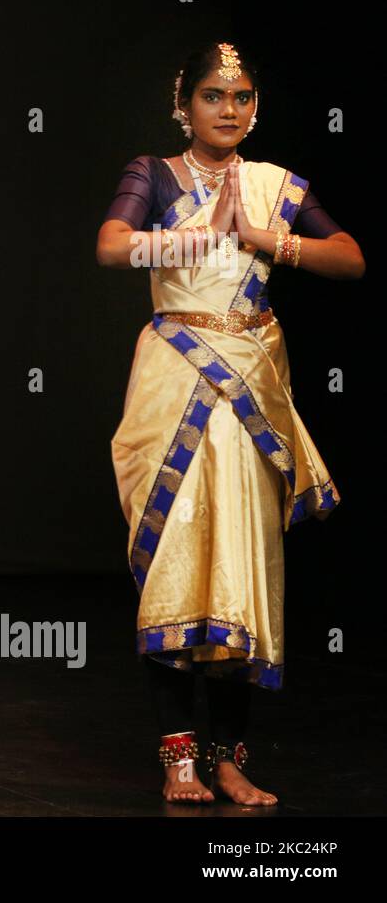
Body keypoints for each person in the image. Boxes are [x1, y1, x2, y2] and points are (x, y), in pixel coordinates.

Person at [97, 44, 364, 804]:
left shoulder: (274, 187)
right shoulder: (153, 174)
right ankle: (177, 756)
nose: (230, 110)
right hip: (176, 375)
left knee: (241, 565)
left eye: (243, 97)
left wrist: (266, 239)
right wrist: (196, 235)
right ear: (183, 102)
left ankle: (228, 759)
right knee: (176, 556)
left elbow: (349, 258)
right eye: (214, 96)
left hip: (250, 386)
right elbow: (111, 247)